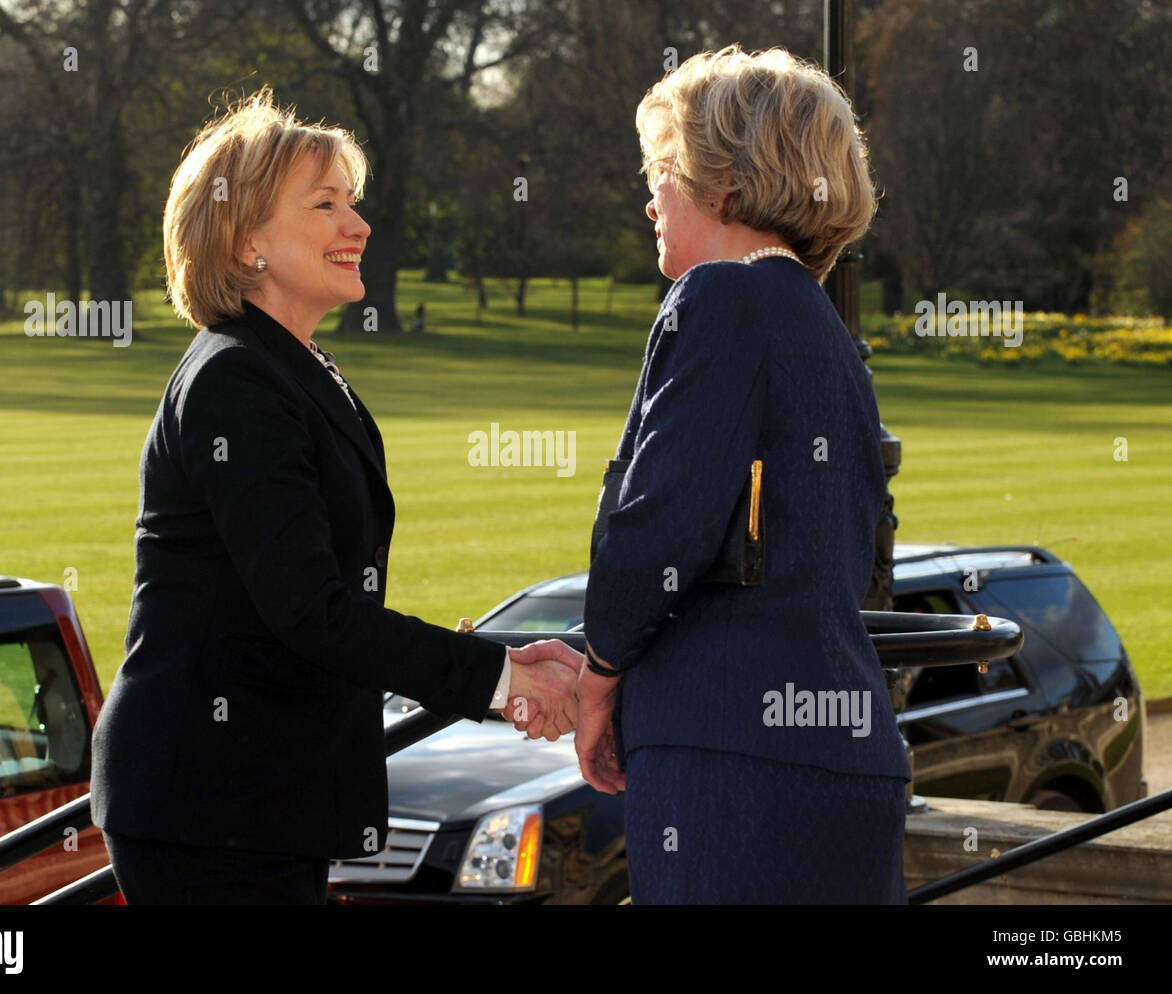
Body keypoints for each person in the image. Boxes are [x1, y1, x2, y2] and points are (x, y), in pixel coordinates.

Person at [89, 88, 577, 904]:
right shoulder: (236, 380)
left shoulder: (293, 368)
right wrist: (496, 677)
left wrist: (495, 667)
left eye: (352, 201)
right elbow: (310, 611)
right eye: (326, 204)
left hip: (259, 798)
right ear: (246, 240)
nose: (359, 226)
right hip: (210, 804)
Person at [569, 46, 913, 904]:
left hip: (731, 766)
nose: (649, 198)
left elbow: (662, 523)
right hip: (846, 757)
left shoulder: (720, 295)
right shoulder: (832, 337)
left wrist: (597, 674)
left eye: (661, 170)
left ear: (720, 183)